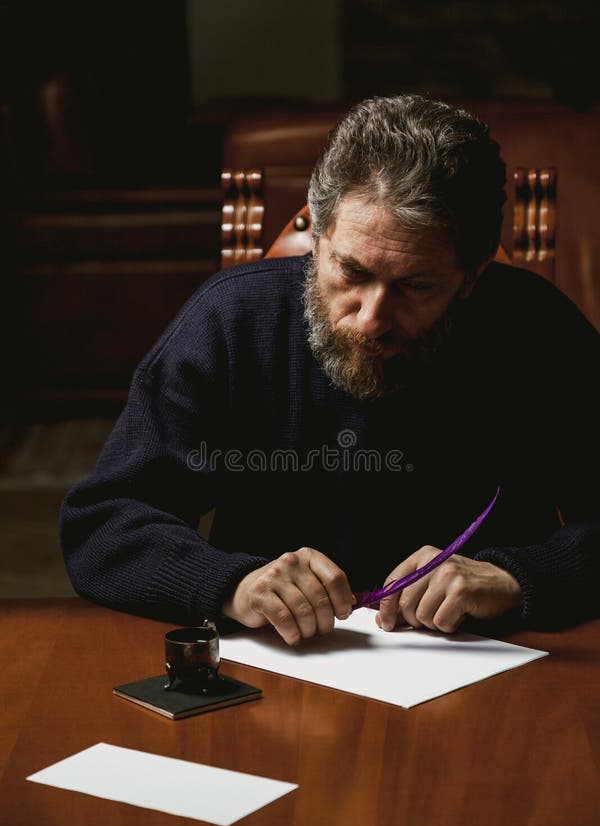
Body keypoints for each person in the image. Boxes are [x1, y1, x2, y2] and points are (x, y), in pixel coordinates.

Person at [59, 94, 600, 645]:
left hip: (498, 668)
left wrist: (518, 577)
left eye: (416, 286)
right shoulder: (231, 322)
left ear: (472, 273)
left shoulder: (538, 328)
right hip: (283, 667)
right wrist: (232, 584)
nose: (370, 321)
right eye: (352, 271)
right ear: (316, 239)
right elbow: (102, 524)